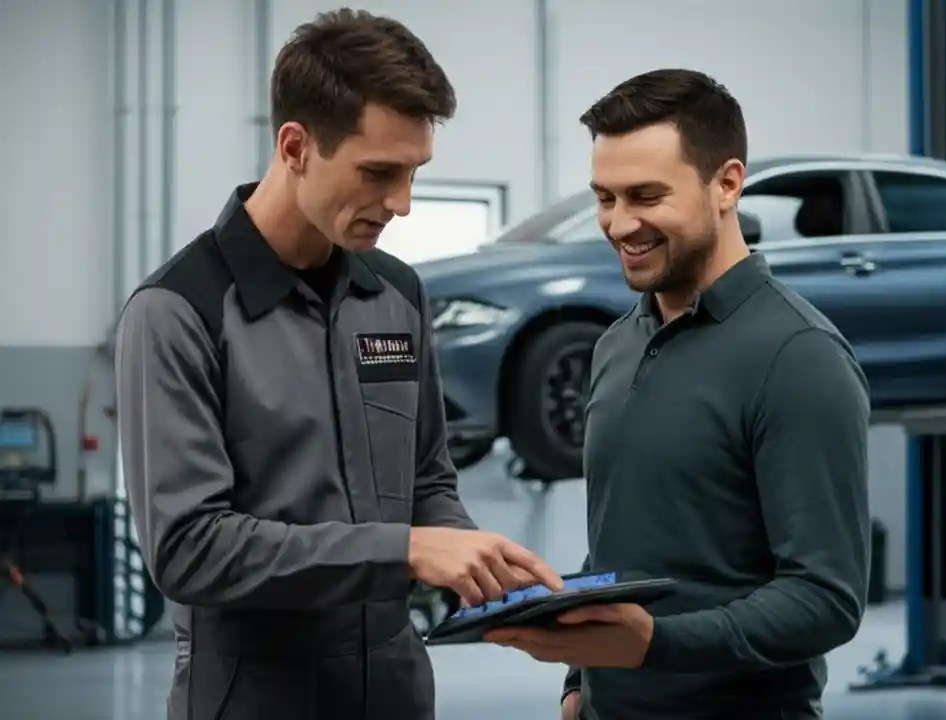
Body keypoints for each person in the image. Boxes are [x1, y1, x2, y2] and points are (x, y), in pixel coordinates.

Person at [114, 9, 562, 720]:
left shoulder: (396, 293)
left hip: (393, 687)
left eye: (414, 173)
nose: (403, 204)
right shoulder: (177, 312)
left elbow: (427, 478)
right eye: (378, 173)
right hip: (252, 698)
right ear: (295, 146)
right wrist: (405, 552)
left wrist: (478, 565)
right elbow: (189, 549)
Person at [485, 69, 872, 719]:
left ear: (727, 184)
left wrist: (655, 645)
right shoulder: (616, 344)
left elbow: (824, 599)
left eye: (645, 196)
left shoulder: (799, 357)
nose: (618, 223)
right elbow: (618, 543)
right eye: (605, 197)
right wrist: (580, 679)